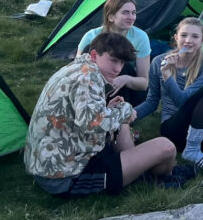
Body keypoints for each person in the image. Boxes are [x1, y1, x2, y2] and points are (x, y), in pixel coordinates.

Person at [24, 32, 178, 197]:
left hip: (49, 162)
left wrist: (113, 110)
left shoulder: (79, 67)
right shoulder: (86, 79)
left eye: (122, 62)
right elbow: (94, 124)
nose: (118, 68)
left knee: (119, 113)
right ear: (94, 55)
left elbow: (85, 116)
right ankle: (156, 177)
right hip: (64, 175)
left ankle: (137, 167)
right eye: (113, 60)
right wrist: (126, 111)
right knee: (166, 147)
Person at [135, 17, 203, 172]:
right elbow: (153, 101)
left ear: (202, 40)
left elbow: (183, 99)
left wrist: (166, 76)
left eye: (194, 36)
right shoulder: (159, 62)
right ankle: (191, 151)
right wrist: (128, 116)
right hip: (174, 132)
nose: (188, 41)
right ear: (176, 38)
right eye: (184, 35)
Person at [75, 0, 150, 107]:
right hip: (94, 83)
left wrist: (125, 79)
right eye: (125, 12)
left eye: (133, 13)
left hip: (128, 90)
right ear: (110, 17)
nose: (131, 17)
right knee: (98, 53)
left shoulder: (140, 37)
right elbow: (77, 71)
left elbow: (144, 83)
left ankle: (122, 116)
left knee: (121, 62)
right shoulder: (91, 36)